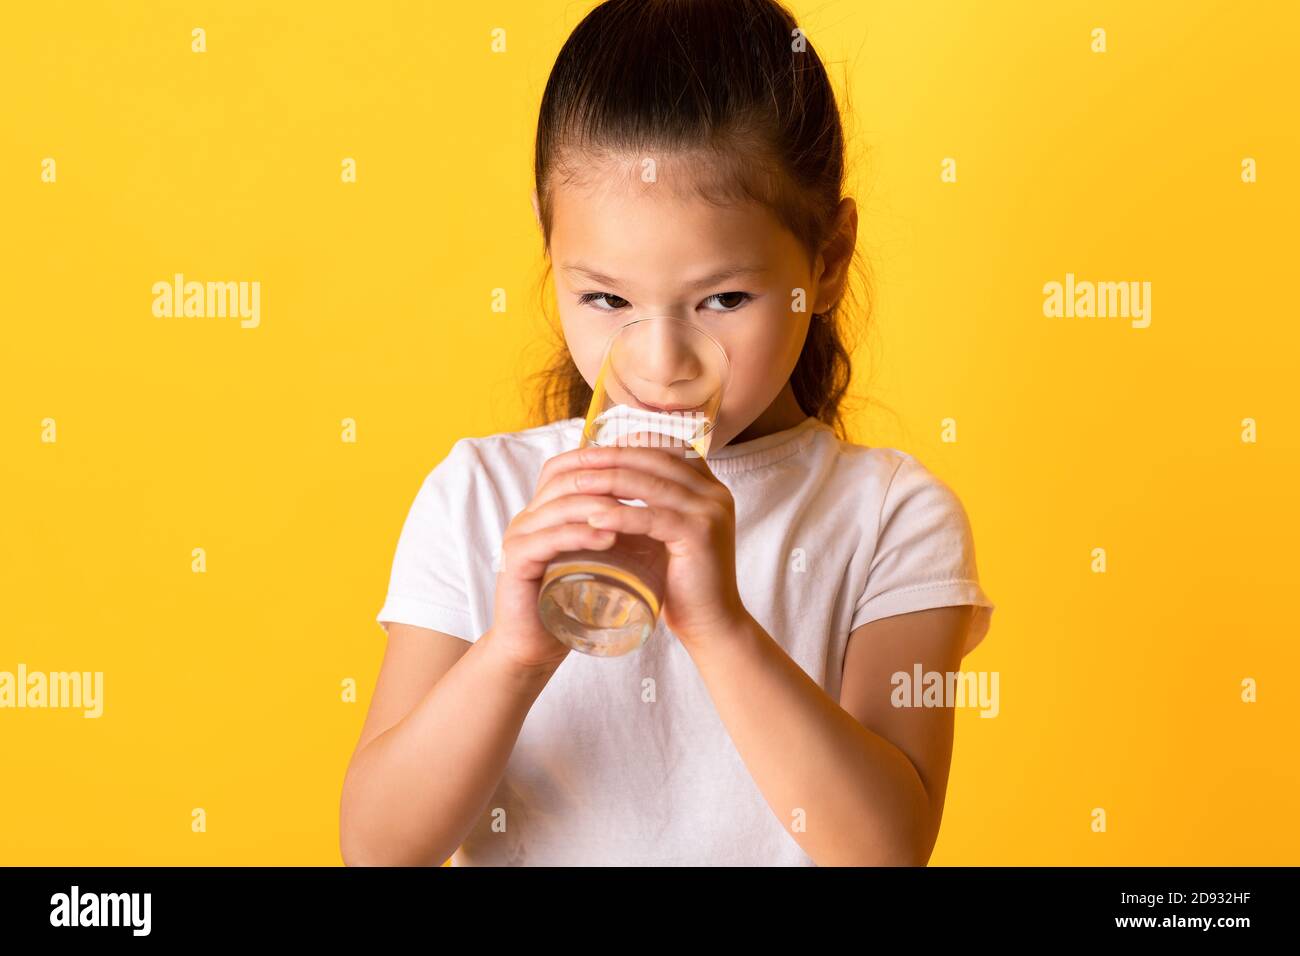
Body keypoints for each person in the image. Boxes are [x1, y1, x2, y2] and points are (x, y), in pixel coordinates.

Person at [341, 0, 995, 867]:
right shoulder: (481, 499)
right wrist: (510, 653)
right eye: (606, 299)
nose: (661, 360)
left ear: (826, 263)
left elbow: (884, 854)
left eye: (724, 300)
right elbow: (377, 850)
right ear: (551, 245)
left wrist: (720, 627)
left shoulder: (889, 520)